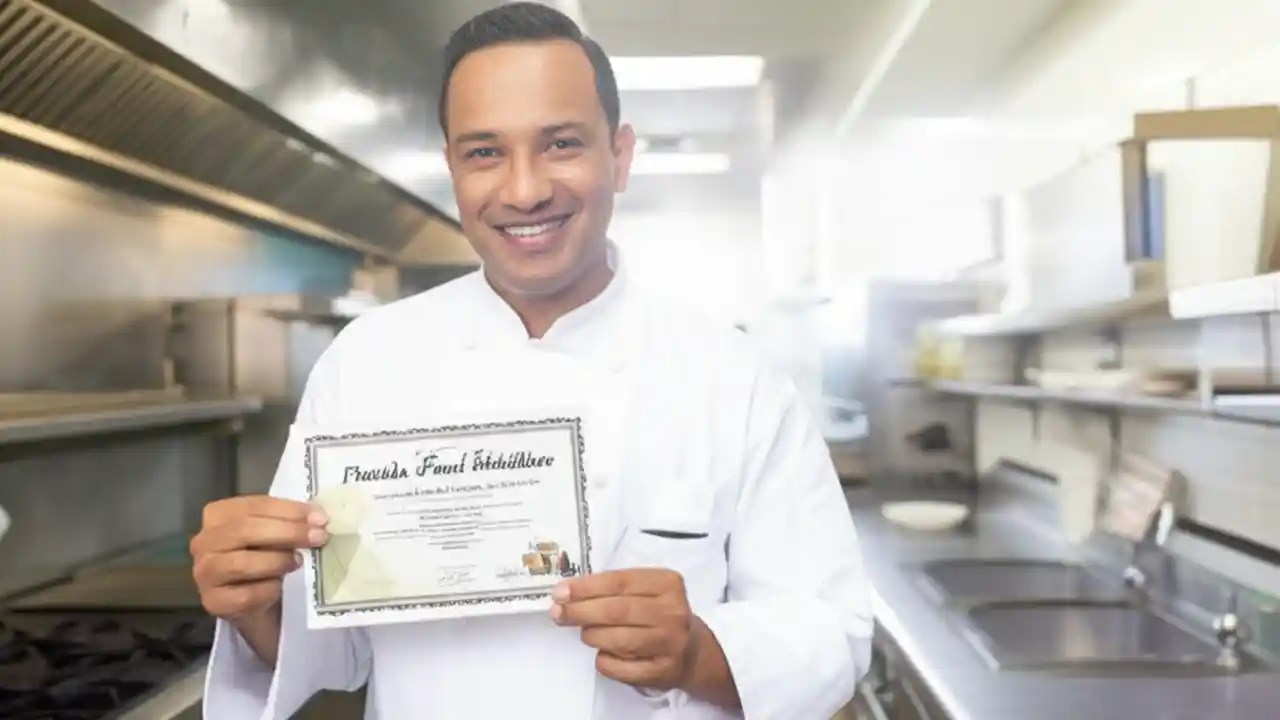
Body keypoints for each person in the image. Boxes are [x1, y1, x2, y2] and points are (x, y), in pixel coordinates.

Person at [193, 4, 872, 718]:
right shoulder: (366, 361)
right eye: (485, 152)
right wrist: (252, 600)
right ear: (452, 166)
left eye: (561, 144)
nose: (525, 190)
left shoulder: (732, 375)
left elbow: (833, 630)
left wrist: (698, 651)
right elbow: (334, 646)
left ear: (621, 155)